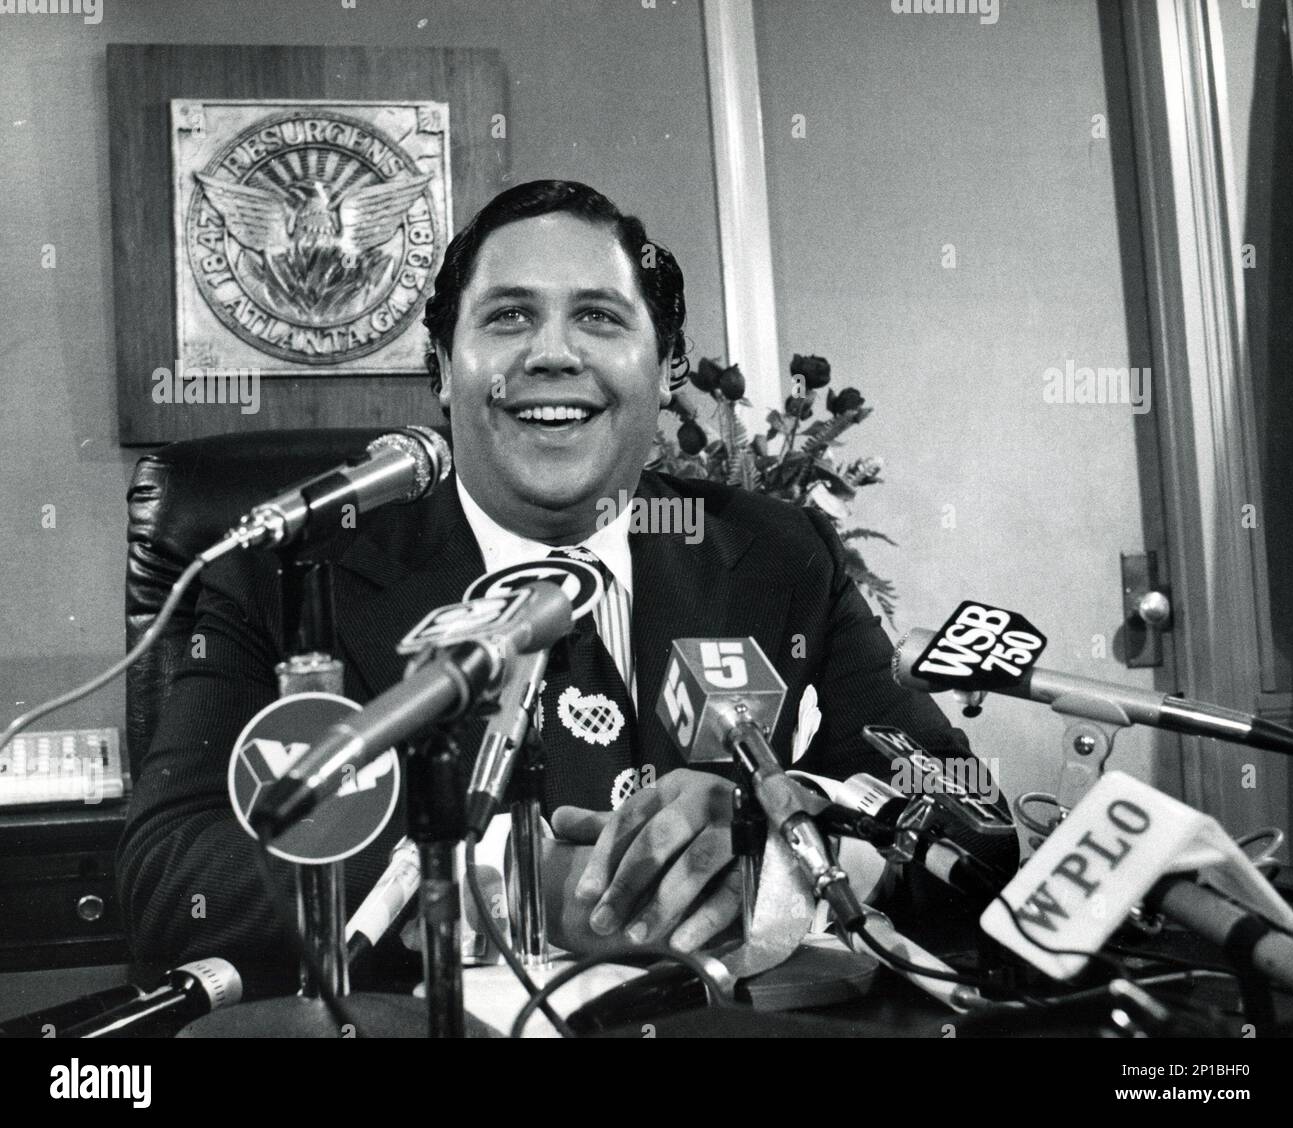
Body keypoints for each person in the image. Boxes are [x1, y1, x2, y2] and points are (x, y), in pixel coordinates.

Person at [118, 180, 998, 991]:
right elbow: (175, 884)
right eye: (506, 318)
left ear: (667, 371)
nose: (551, 354)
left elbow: (963, 811)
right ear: (439, 366)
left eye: (601, 319)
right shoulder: (289, 574)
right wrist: (502, 882)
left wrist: (785, 840)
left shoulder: (776, 554)